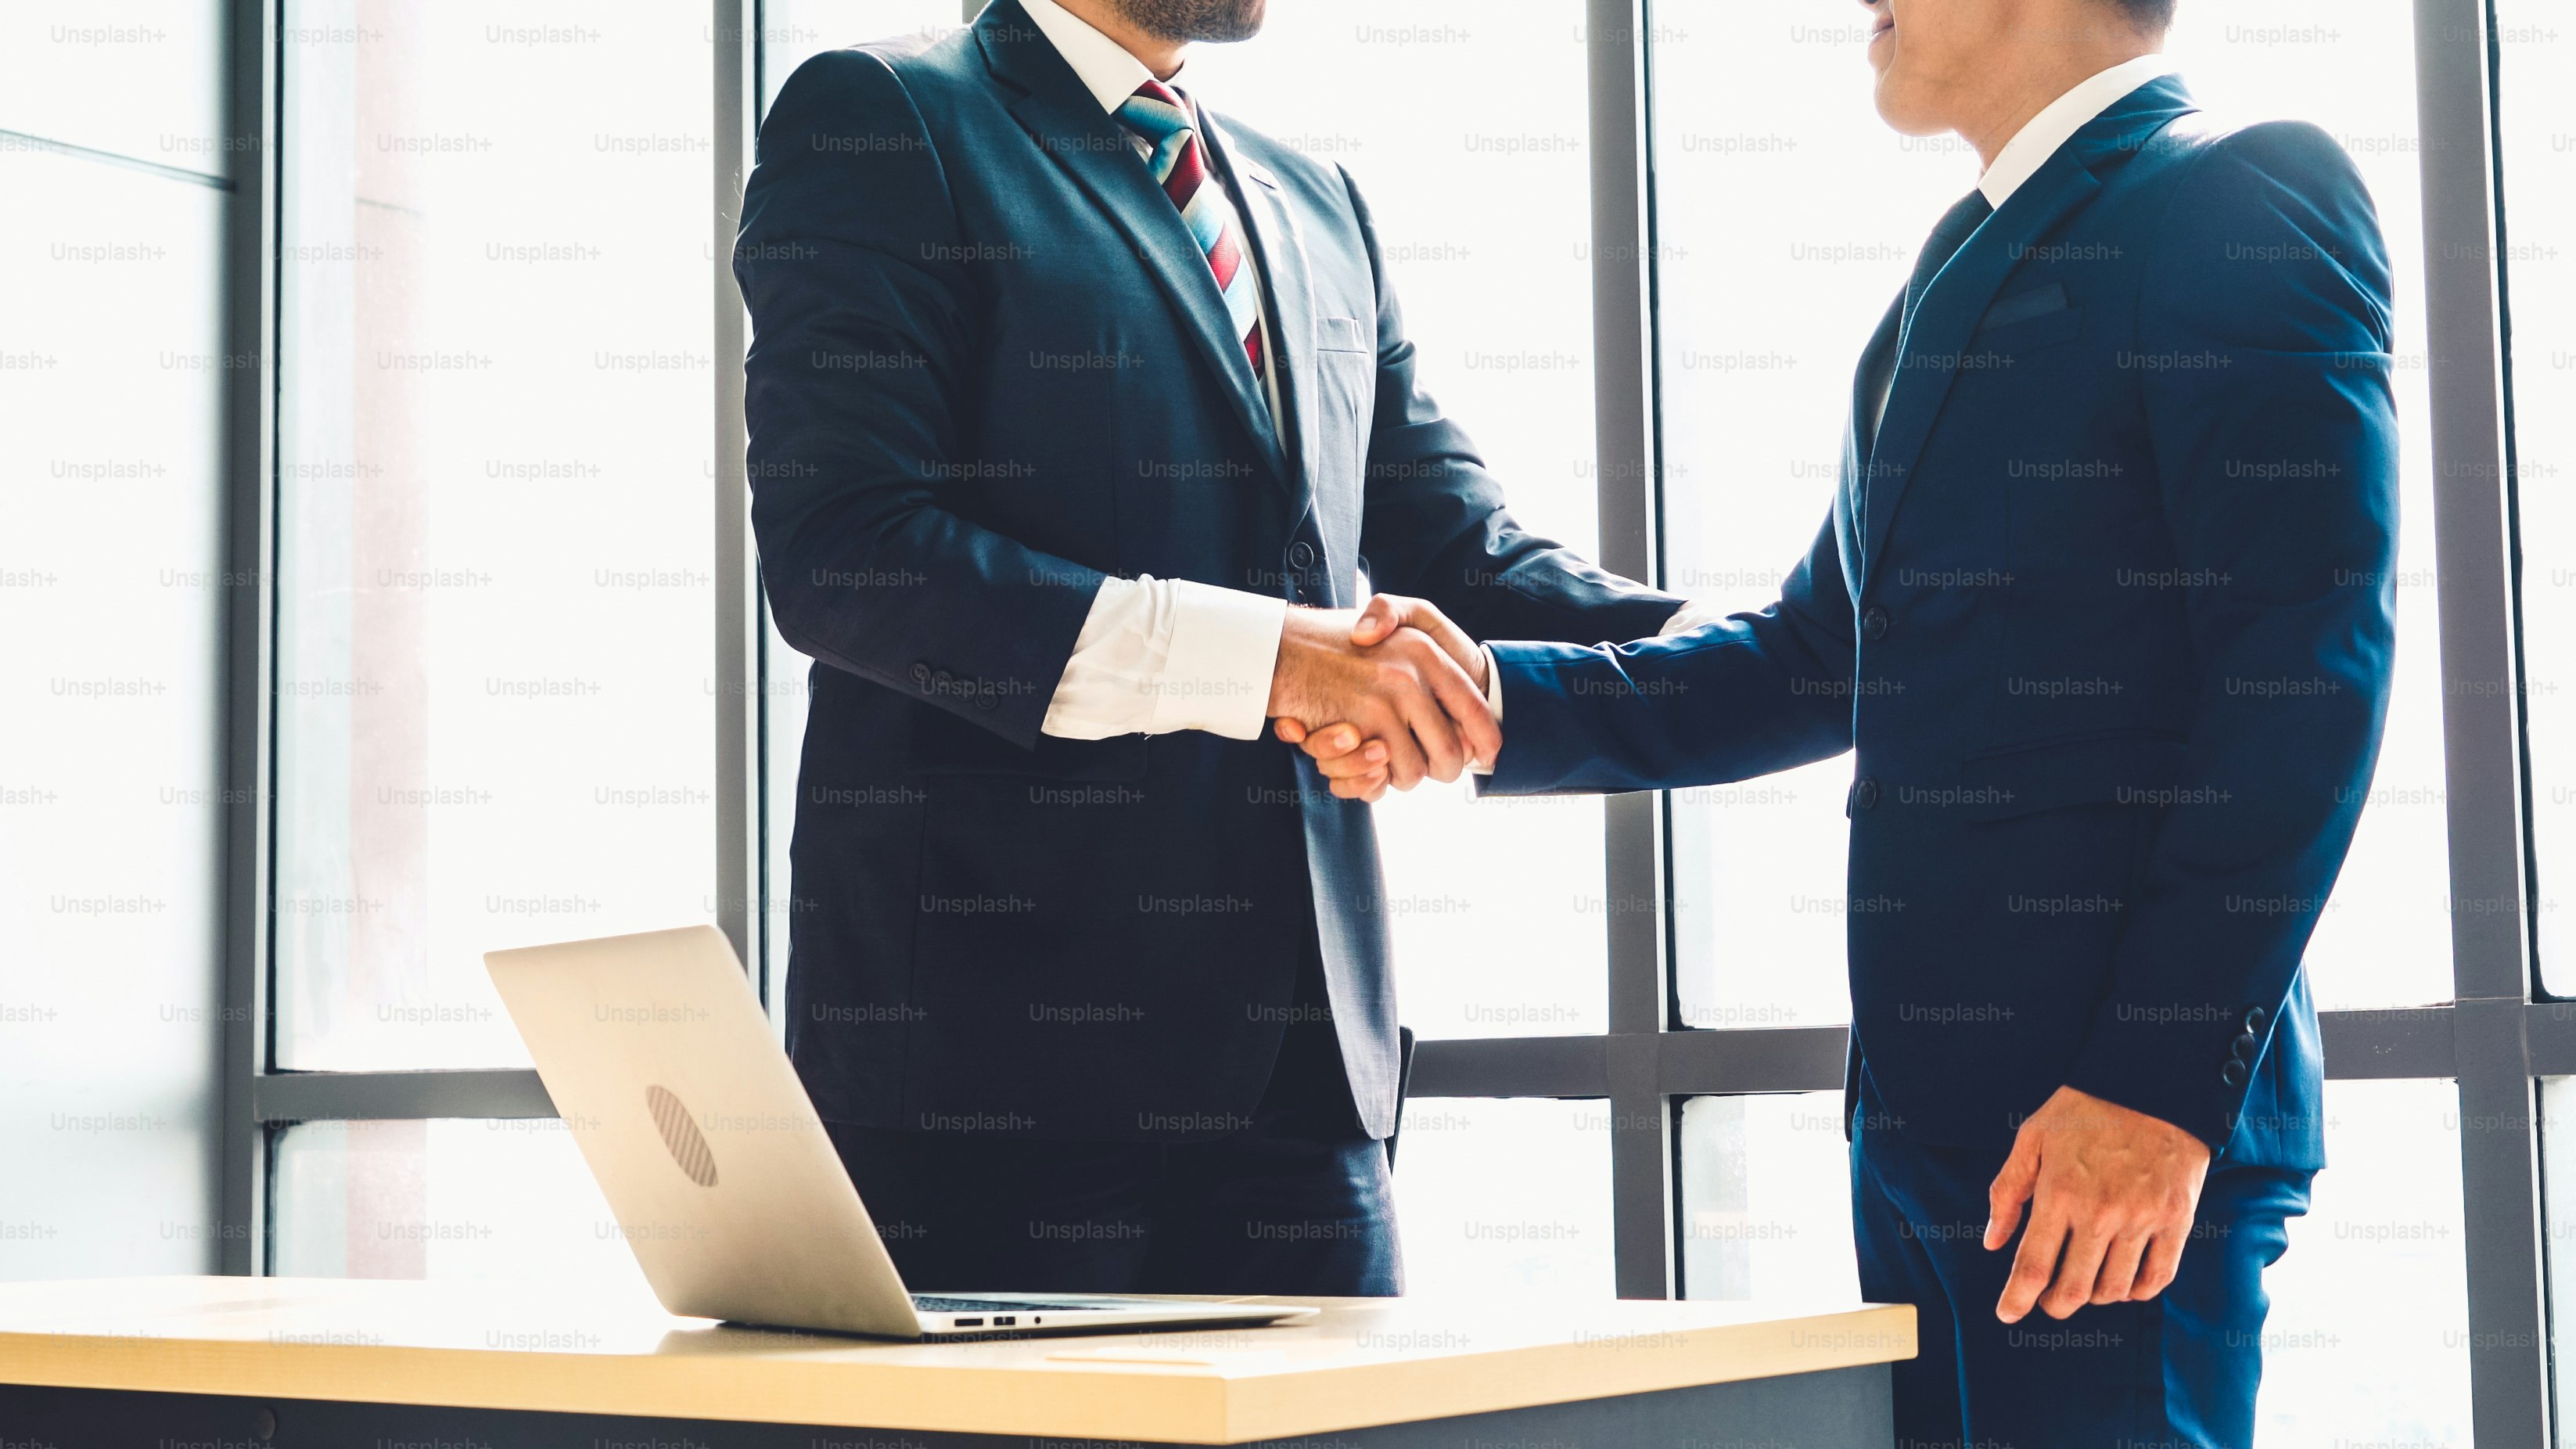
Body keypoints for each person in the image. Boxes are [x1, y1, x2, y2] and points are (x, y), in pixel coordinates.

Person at [1294, 0, 2397, 1440]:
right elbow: (1820, 660)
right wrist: (1491, 703)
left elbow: (2305, 672)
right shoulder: (1946, 274)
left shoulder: (2245, 189)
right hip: (1934, 1132)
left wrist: (2154, 1090)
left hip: (2106, 1136)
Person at [731, 0, 1678, 1298]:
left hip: (1304, 1092)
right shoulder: (884, 116)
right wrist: (1278, 661)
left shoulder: (1313, 198)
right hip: (991, 1093)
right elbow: (848, 554)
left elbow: (1460, 551)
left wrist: (1809, 646)